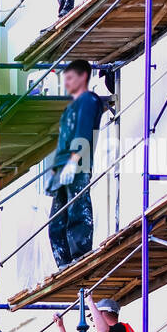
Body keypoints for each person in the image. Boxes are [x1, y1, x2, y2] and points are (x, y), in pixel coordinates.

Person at [47, 60, 106, 268]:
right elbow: (63, 140)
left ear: (83, 77)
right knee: (56, 220)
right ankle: (64, 261)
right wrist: (55, 171)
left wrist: (74, 161)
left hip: (78, 164)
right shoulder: (71, 107)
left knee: (77, 210)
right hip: (63, 167)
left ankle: (79, 255)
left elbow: (83, 132)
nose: (67, 83)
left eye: (70, 78)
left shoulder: (88, 100)